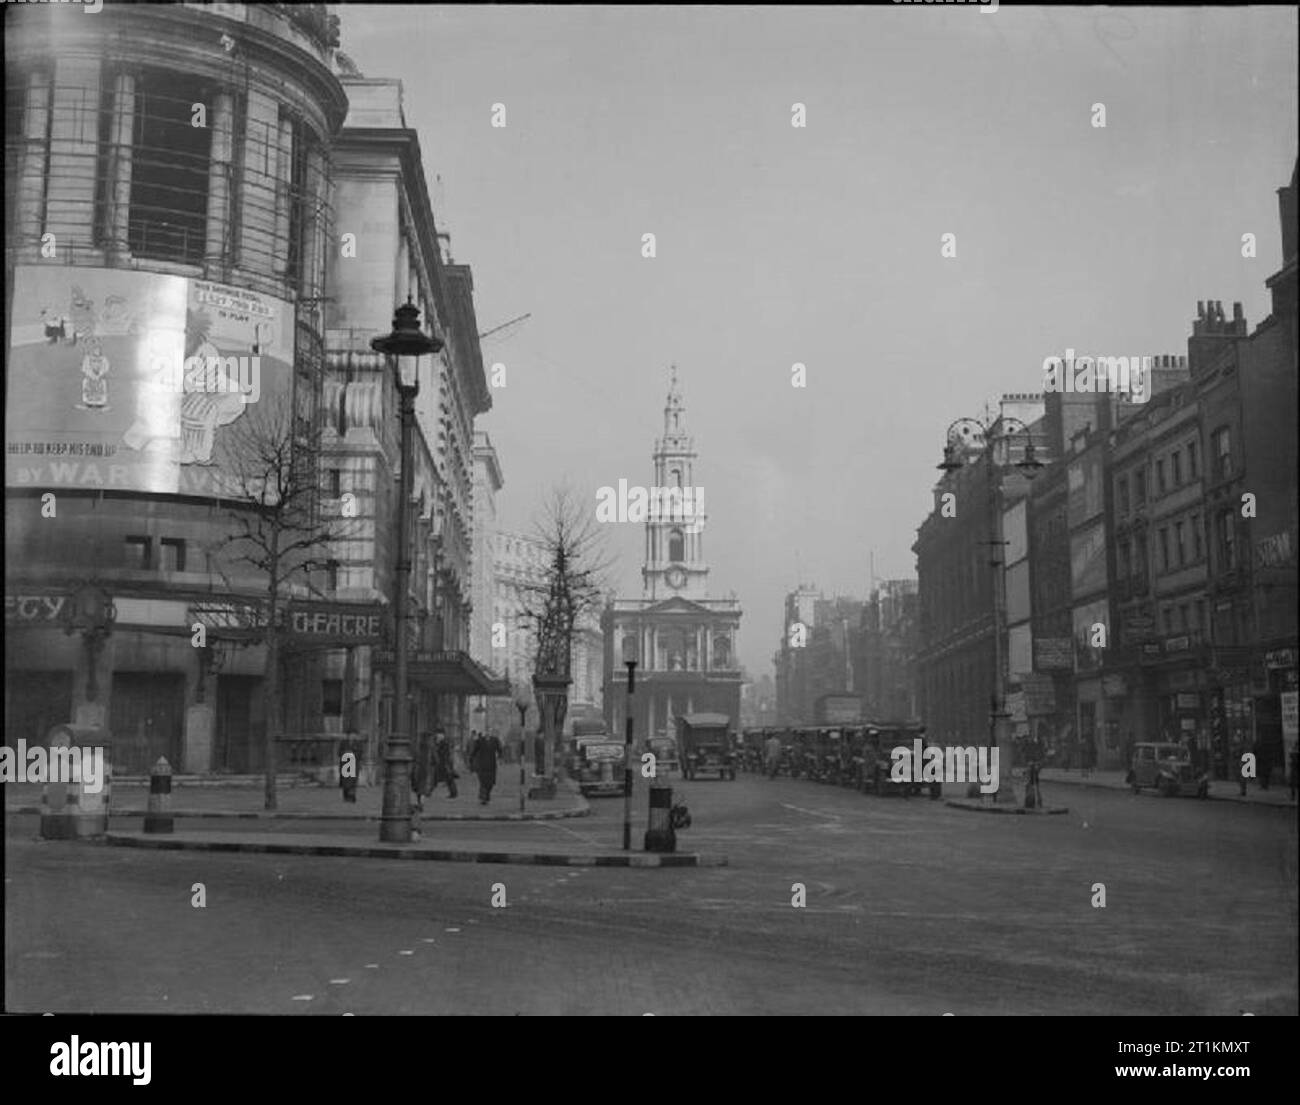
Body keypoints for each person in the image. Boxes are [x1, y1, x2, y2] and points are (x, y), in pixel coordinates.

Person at [471, 730, 503, 804]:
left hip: (491, 764)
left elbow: (499, 749)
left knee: (490, 783)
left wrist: (500, 757)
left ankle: (487, 795)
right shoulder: (480, 740)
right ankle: (483, 798)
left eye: (489, 731)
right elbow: (475, 749)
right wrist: (472, 757)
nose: (487, 733)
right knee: (483, 782)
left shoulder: (495, 740)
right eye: (486, 731)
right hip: (482, 764)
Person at [431, 728, 457, 799]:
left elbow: (445, 753)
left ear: (442, 735)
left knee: (449, 778)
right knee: (445, 778)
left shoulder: (444, 742)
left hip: (445, 763)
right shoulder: (441, 742)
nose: (437, 736)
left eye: (439, 735)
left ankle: (453, 792)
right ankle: (453, 792)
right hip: (443, 762)